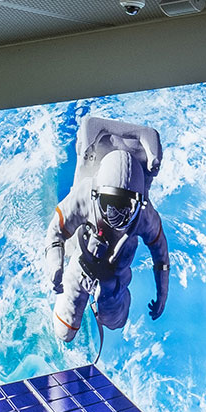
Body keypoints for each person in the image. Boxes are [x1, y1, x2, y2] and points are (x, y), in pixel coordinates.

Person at [49, 146, 169, 345]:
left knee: (115, 322)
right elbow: (56, 230)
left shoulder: (146, 217)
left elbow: (161, 257)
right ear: (97, 194)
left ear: (139, 202)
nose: (116, 215)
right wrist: (55, 266)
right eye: (110, 204)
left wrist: (162, 294)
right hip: (82, 267)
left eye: (124, 207)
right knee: (64, 331)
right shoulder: (85, 195)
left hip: (115, 279)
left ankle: (117, 299)